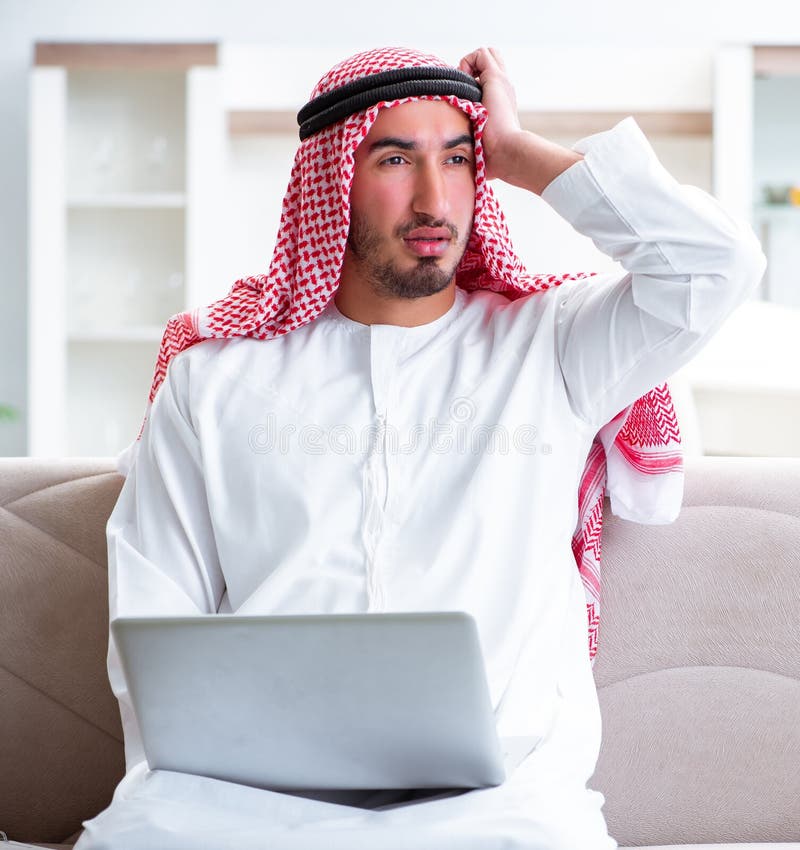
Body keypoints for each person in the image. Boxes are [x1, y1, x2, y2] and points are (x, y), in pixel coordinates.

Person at [76, 46, 766, 849]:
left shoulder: (554, 347)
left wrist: (522, 154)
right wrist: (188, 772)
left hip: (498, 806)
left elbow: (716, 266)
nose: (436, 199)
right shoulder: (213, 380)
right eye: (397, 159)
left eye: (460, 159)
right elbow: (153, 612)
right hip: (241, 803)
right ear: (332, 178)